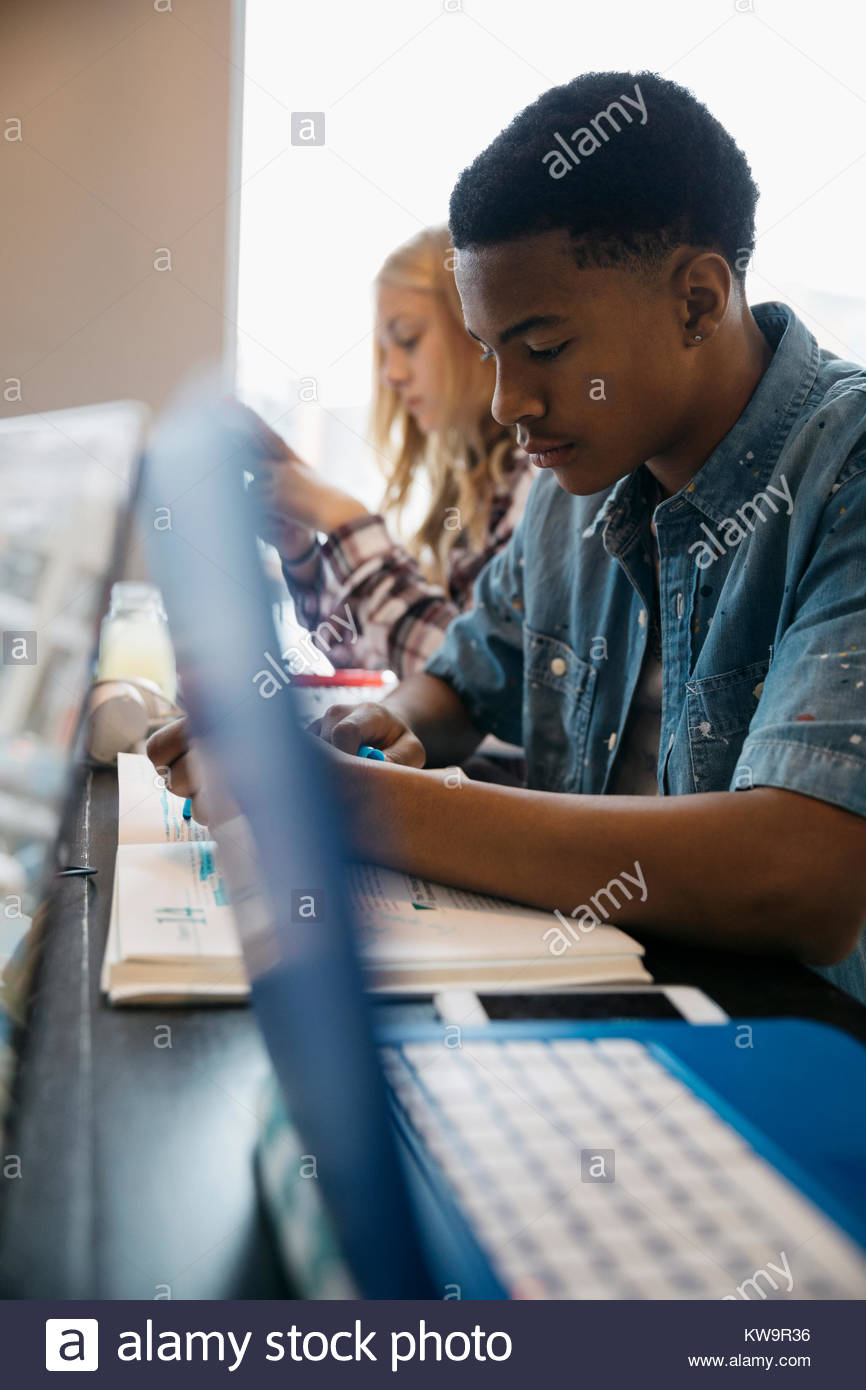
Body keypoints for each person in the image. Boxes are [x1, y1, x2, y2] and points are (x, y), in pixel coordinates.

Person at [150, 71, 866, 1003]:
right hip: (613, 995)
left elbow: (804, 878)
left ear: (696, 301)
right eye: (490, 354)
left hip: (805, 1056)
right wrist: (387, 725)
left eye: (545, 350)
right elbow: (465, 674)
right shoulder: (579, 478)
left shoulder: (846, 469)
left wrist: (340, 800)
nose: (507, 405)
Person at [252, 225, 532, 676]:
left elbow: (475, 681)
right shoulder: (476, 487)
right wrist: (301, 551)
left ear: (477, 330)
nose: (391, 375)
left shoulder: (536, 480)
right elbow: (388, 653)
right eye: (384, 350)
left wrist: (347, 521)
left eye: (407, 340)